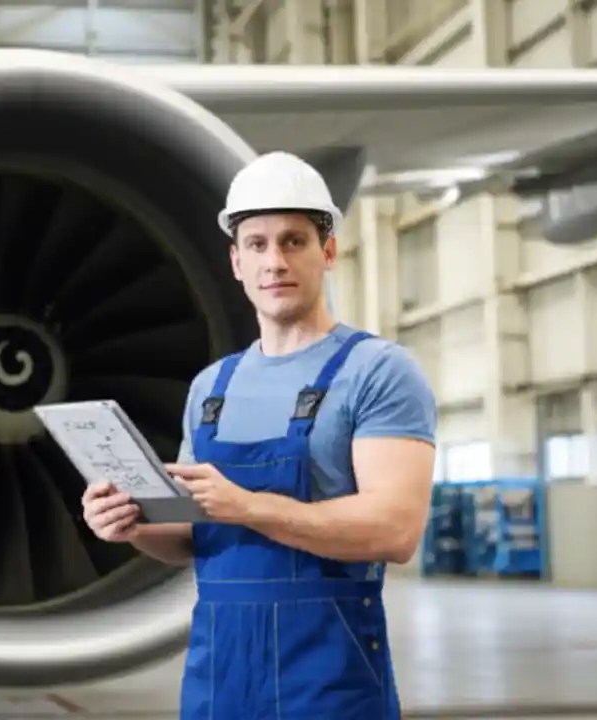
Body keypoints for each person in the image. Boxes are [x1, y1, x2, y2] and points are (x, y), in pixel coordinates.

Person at [81, 151, 437, 719]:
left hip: (328, 674)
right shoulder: (211, 387)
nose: (274, 261)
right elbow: (192, 538)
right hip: (221, 674)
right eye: (257, 244)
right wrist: (132, 525)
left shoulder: (377, 371)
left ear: (328, 251)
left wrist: (248, 506)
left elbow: (395, 529)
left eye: (293, 241)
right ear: (235, 261)